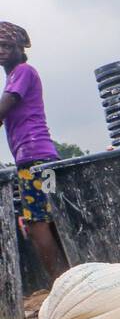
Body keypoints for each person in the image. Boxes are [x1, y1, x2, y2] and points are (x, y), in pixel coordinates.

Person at [0, 22, 67, 281]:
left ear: (20, 48)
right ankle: (70, 278)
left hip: (34, 158)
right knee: (51, 218)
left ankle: (60, 283)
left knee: (37, 221)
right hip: (41, 157)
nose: (2, 51)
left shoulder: (23, 72)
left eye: (7, 46)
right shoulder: (15, 77)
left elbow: (4, 107)